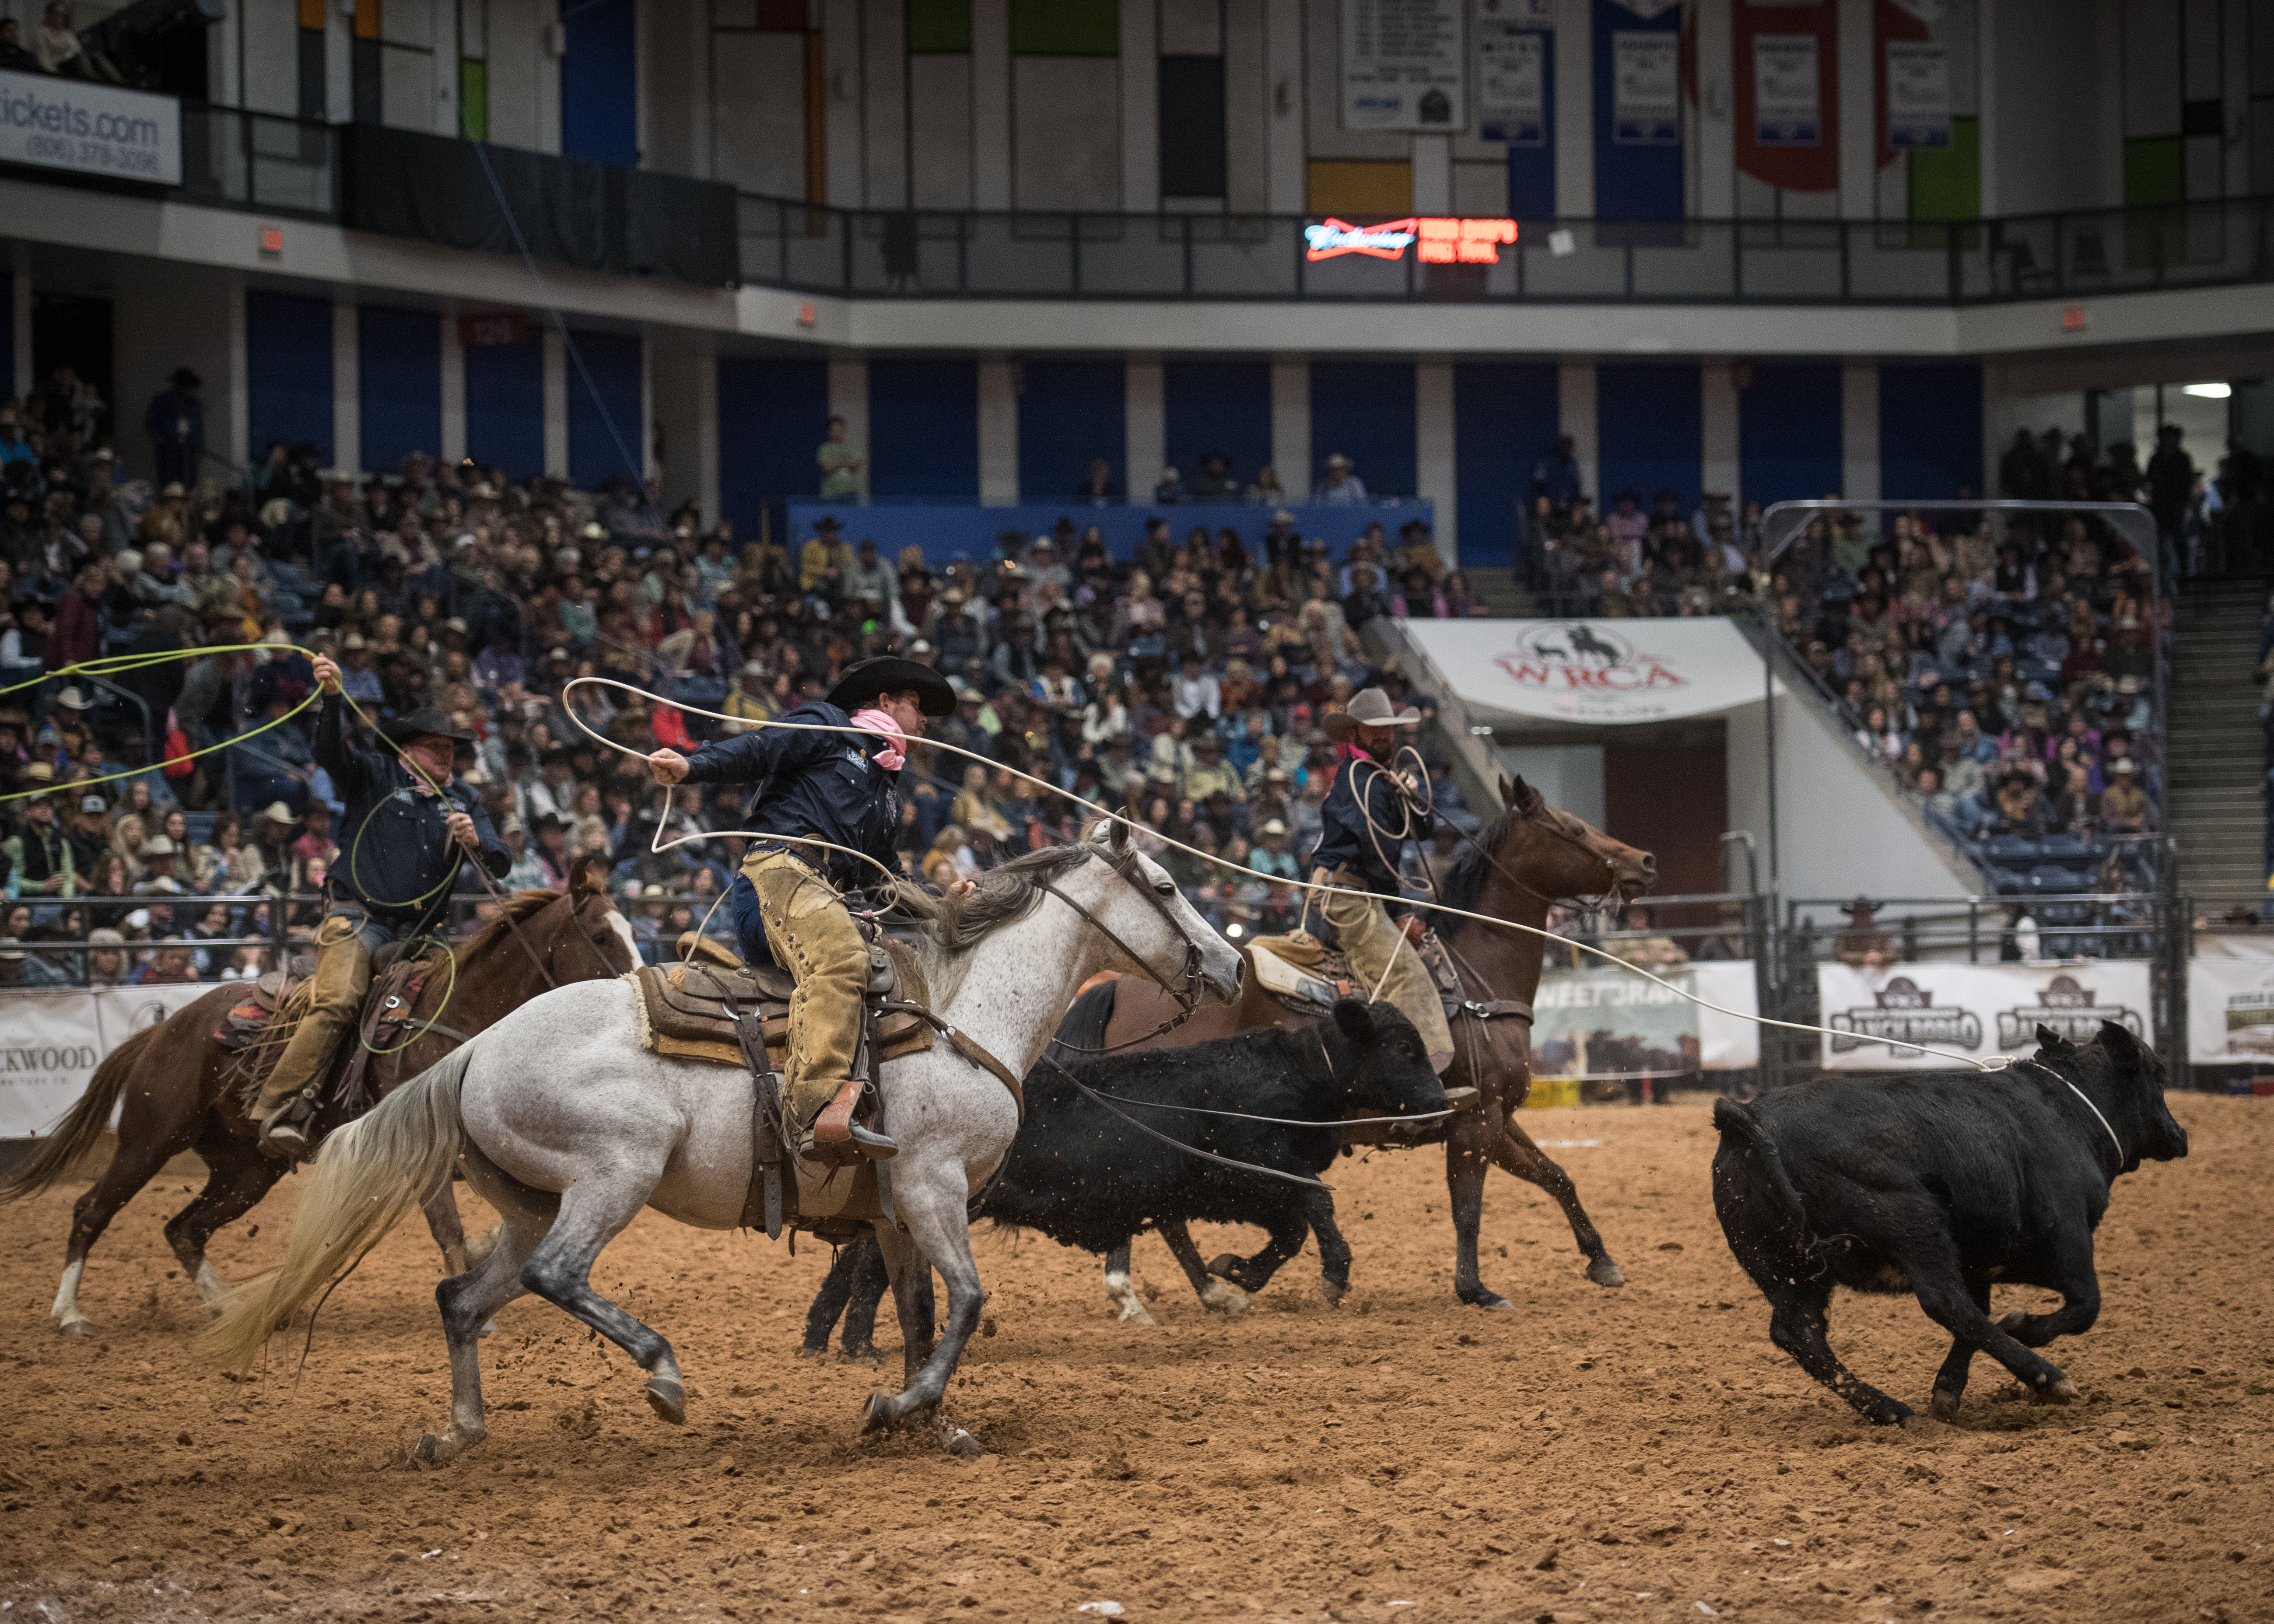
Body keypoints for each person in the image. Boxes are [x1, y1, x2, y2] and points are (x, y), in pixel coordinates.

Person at [644, 656, 961, 1166]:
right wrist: (691, 765)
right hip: (781, 872)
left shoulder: (885, 794)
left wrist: (941, 908)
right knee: (841, 959)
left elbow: (884, 880)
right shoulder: (829, 728)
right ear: (885, 702)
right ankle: (816, 1114)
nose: (925, 722)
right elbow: (760, 748)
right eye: (918, 707)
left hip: (822, 895)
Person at [249, 657, 509, 1159]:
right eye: (436, 748)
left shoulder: (465, 799)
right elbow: (328, 751)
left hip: (421, 933)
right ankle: (278, 1106)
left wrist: (479, 840)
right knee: (340, 1000)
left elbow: (498, 858)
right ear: (407, 749)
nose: (446, 757)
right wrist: (331, 698)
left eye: (451, 749)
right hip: (358, 919)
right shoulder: (372, 773)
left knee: (458, 1007)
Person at [1307, 688, 1453, 1072]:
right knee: (1409, 976)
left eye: (1387, 729)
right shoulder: (1361, 781)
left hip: (1356, 894)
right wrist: (1400, 912)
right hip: (1348, 897)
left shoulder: (1375, 779)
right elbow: (1380, 859)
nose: (1384, 737)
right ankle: (1425, 1084)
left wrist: (1412, 798)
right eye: (1374, 730)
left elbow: (1422, 830)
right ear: (1353, 734)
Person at [144, 368, 205, 490]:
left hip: (189, 452)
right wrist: (163, 443)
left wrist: (200, 446)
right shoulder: (162, 401)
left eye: (188, 385)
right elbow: (151, 424)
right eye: (183, 384)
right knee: (170, 486)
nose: (185, 388)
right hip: (169, 454)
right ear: (177, 384)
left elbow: (199, 428)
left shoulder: (195, 404)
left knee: (190, 485)